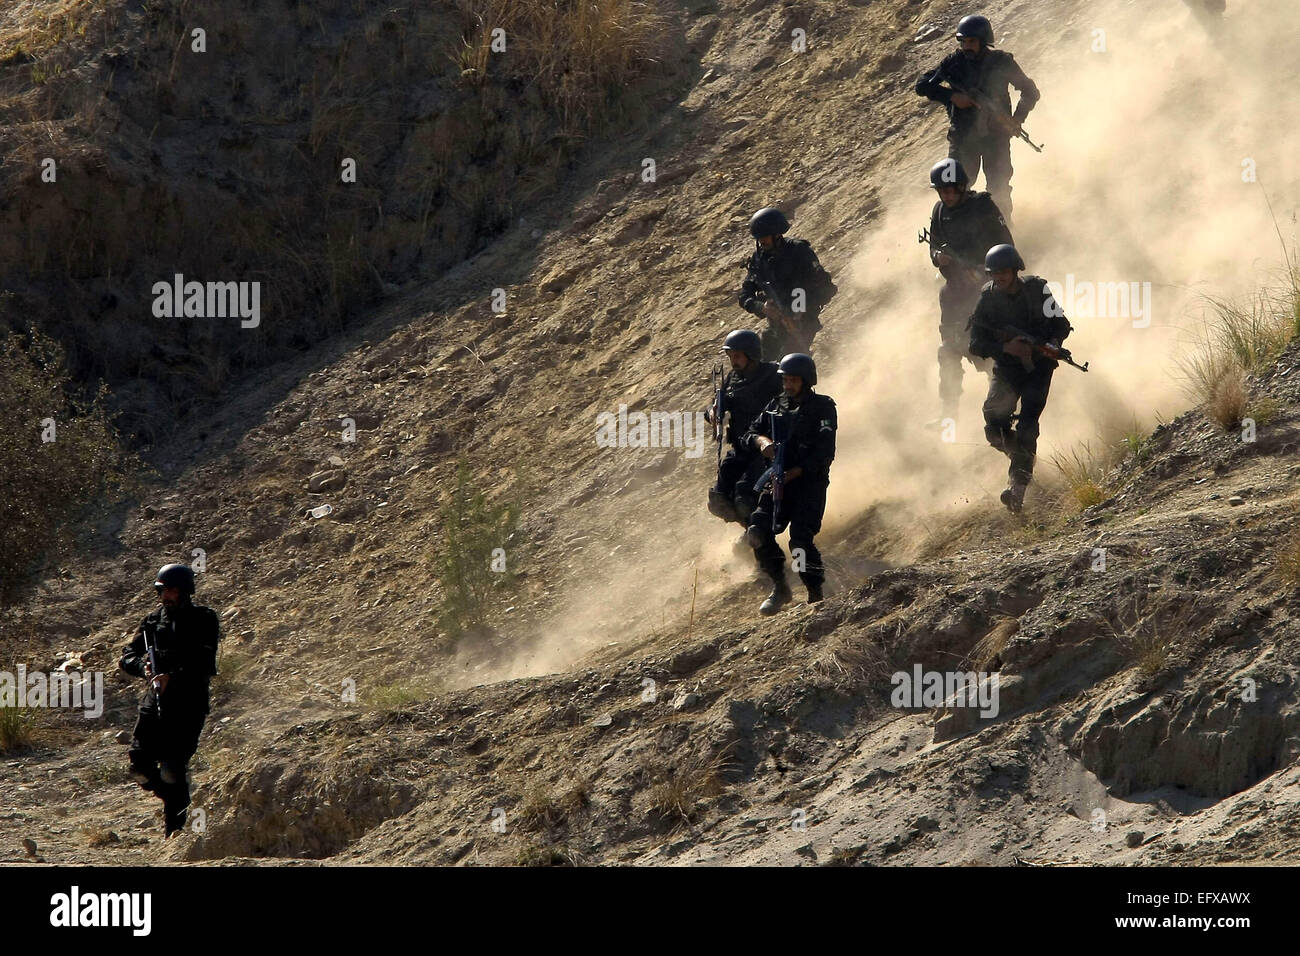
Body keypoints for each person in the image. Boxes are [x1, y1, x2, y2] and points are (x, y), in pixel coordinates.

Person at [968, 244, 1072, 512]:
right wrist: (1005, 348)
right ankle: (1021, 456)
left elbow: (1061, 324)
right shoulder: (988, 299)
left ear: (1016, 270)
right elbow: (975, 343)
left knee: (1027, 427)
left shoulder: (1038, 290)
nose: (999, 277)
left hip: (1039, 368)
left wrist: (1052, 343)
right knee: (993, 424)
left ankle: (1017, 487)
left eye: (1003, 271)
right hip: (1007, 369)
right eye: (994, 273)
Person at [120, 564, 221, 836]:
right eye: (162, 590)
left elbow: (204, 662)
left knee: (173, 768)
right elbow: (127, 655)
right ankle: (177, 800)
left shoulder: (204, 619)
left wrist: (171, 677)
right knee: (139, 765)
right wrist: (145, 669)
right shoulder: (152, 622)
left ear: (185, 591)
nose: (166, 596)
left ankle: (174, 834)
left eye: (172, 590)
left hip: (189, 703)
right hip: (155, 700)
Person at [915, 14, 1040, 218]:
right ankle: (955, 237)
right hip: (964, 139)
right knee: (953, 190)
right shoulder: (954, 63)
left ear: (983, 41)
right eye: (963, 42)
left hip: (997, 138)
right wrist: (952, 96)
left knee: (999, 191)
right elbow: (922, 85)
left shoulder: (1002, 62)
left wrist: (1017, 120)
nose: (966, 46)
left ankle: (1003, 232)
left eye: (971, 41)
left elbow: (1030, 92)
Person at [742, 353, 837, 614]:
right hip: (776, 479)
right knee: (757, 532)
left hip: (809, 484)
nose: (788, 385)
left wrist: (796, 472)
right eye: (785, 380)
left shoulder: (823, 407)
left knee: (800, 543)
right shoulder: (777, 405)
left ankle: (814, 592)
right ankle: (780, 587)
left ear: (806, 381)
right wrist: (763, 443)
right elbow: (750, 433)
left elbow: (825, 452)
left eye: (794, 380)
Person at [923, 157, 1013, 425]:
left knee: (990, 351)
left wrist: (984, 270)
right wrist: (938, 257)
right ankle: (948, 413)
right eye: (942, 190)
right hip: (955, 294)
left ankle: (1004, 409)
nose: (947, 195)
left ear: (962, 187)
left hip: (988, 290)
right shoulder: (939, 211)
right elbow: (934, 247)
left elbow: (1006, 246)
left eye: (951, 190)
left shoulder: (983, 206)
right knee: (948, 350)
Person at [706, 329, 783, 547]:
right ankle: (750, 530)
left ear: (751, 354)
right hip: (741, 447)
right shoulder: (732, 378)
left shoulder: (773, 374)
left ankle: (761, 537)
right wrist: (712, 413)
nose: (733, 361)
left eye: (737, 356)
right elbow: (719, 403)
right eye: (730, 357)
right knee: (719, 500)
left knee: (744, 496)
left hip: (766, 448)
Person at [738, 208, 837, 360]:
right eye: (759, 238)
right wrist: (762, 307)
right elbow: (745, 295)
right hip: (776, 327)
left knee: (788, 366)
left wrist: (800, 310)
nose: (761, 241)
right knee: (760, 369)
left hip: (802, 325)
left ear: (777, 235)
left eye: (765, 237)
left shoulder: (798, 251)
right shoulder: (759, 259)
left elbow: (826, 288)